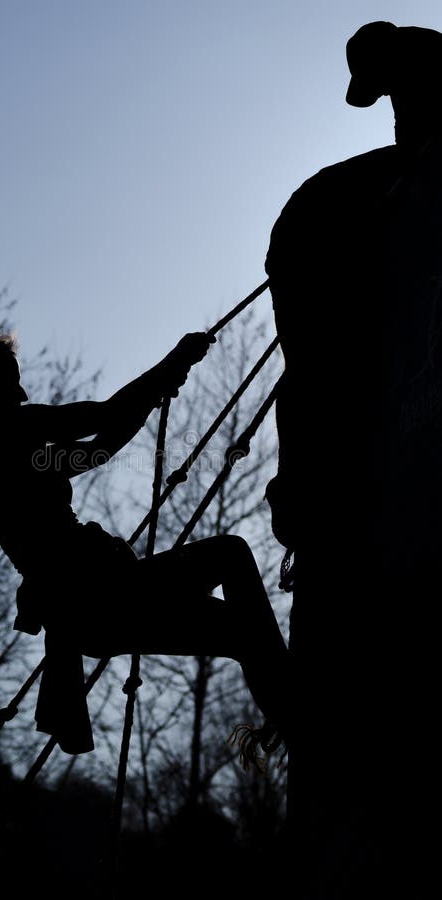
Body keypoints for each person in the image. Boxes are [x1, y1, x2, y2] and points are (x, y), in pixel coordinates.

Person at [0, 332, 289, 756]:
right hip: (105, 596)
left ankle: (289, 712)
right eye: (13, 382)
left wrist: (157, 387)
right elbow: (107, 416)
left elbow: (99, 448)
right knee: (230, 559)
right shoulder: (11, 429)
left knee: (239, 628)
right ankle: (292, 710)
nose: (23, 392)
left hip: (94, 611)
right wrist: (173, 363)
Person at [264, 20, 442, 896]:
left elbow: (309, 370)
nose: (398, 119)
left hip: (358, 516)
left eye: (402, 99)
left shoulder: (343, 202)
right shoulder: (353, 199)